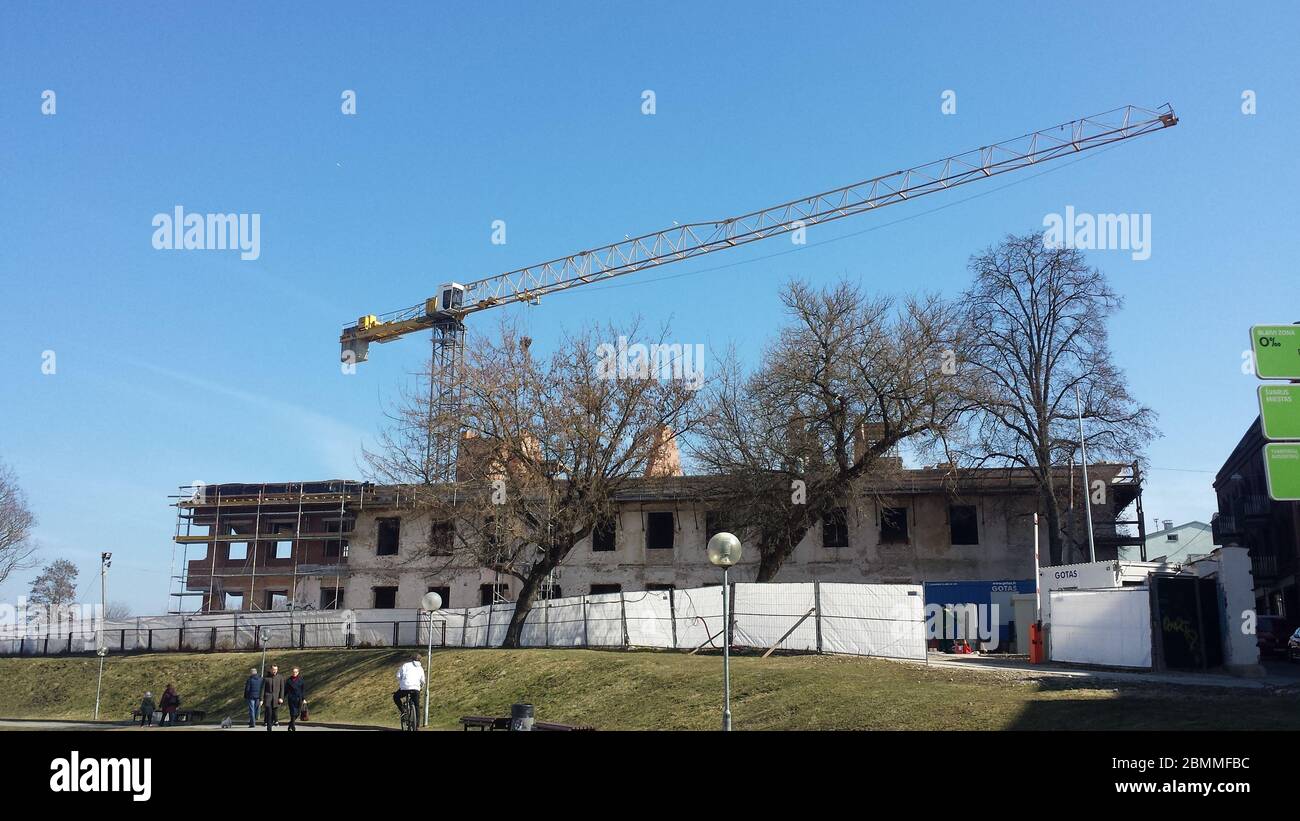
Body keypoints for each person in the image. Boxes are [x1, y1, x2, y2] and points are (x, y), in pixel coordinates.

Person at [392, 655, 425, 726]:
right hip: (416, 688)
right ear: (419, 660)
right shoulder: (421, 668)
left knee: (395, 697)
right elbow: (423, 681)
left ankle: (403, 711)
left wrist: (402, 682)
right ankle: (417, 725)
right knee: (416, 705)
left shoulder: (405, 665)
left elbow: (398, 675)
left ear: (412, 659)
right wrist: (420, 688)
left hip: (405, 687)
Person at [261, 664, 285, 731]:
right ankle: (269, 729)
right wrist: (261, 699)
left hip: (276, 699)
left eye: (276, 669)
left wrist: (281, 698)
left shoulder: (280, 677)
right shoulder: (266, 678)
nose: (275, 671)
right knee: (269, 714)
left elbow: (282, 689)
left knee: (274, 714)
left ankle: (274, 722)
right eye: (274, 669)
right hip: (268, 699)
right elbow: (262, 689)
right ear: (270, 670)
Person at [285, 666, 306, 731]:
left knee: (297, 713)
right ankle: (293, 727)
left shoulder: (301, 680)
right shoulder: (288, 680)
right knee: (292, 713)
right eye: (293, 672)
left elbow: (303, 690)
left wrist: (303, 699)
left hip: (299, 698)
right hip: (291, 699)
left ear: (298, 672)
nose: (294, 673)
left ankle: (290, 724)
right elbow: (285, 690)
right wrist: (281, 698)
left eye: (296, 672)